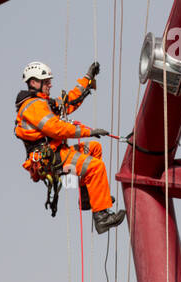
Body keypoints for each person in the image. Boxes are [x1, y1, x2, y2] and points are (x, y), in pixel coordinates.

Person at [14, 60, 126, 234]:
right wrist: (87, 131)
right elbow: (57, 129)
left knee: (94, 148)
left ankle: (88, 198)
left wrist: (88, 78)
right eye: (46, 81)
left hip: (56, 153)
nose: (50, 84)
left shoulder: (43, 103)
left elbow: (69, 102)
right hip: (50, 159)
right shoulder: (33, 107)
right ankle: (102, 218)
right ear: (34, 82)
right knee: (96, 168)